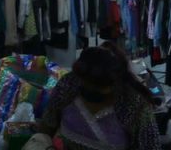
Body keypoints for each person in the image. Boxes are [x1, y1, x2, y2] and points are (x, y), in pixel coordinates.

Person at [32, 45, 161, 149]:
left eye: (99, 90)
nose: (91, 94)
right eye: (87, 87)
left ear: (115, 82)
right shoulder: (69, 85)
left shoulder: (133, 104)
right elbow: (47, 125)